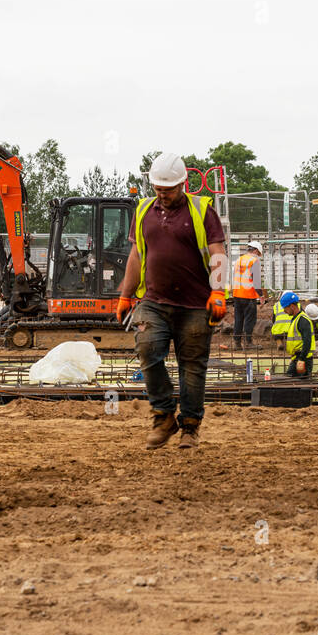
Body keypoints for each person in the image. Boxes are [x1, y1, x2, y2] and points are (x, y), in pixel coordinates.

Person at [116, 153, 227, 450]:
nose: (163, 194)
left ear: (183, 184)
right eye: (158, 189)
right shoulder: (143, 211)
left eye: (169, 189)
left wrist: (218, 291)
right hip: (153, 300)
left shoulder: (202, 211)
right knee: (148, 350)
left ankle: (190, 426)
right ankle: (163, 416)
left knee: (192, 365)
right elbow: (137, 254)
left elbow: (217, 252)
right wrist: (126, 295)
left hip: (195, 304)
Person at [231, 240, 264, 348]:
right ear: (255, 251)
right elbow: (256, 281)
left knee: (238, 319)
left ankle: (237, 343)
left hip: (237, 294)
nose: (258, 256)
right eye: (258, 254)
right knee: (250, 319)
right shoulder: (254, 261)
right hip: (248, 295)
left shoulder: (239, 260)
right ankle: (249, 342)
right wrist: (261, 295)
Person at [280, 291, 315, 377]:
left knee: (302, 386)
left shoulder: (302, 320)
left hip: (303, 359)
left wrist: (301, 359)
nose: (284, 311)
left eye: (285, 308)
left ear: (292, 306)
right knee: (290, 381)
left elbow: (307, 341)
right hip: (298, 358)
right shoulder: (296, 319)